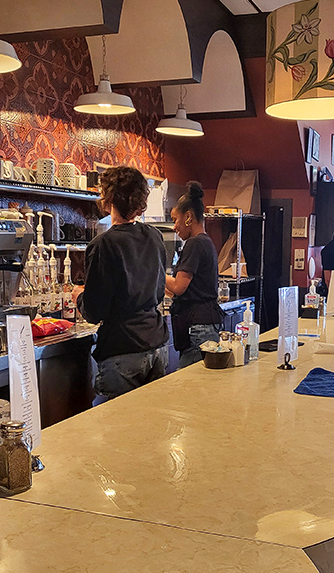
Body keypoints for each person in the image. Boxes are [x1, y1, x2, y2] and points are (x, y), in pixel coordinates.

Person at [72, 166, 168, 401]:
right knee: (151, 427)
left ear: (108, 198)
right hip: (156, 344)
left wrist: (78, 297)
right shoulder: (154, 236)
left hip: (122, 349)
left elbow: (95, 311)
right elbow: (158, 292)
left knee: (114, 432)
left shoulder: (103, 244)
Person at [165, 181, 224, 367]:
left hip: (197, 328)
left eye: (175, 220)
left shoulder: (194, 243)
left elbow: (178, 287)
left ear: (188, 217)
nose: (174, 227)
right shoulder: (206, 242)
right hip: (206, 324)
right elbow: (180, 289)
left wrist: (155, 270)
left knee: (189, 387)